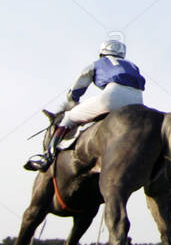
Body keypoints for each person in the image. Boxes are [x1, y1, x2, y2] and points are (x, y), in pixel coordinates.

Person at [24, 38, 147, 171]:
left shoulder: (97, 63)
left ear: (102, 52)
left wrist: (73, 100)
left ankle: (47, 157)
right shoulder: (133, 66)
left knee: (69, 118)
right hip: (138, 101)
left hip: (112, 96)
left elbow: (77, 88)